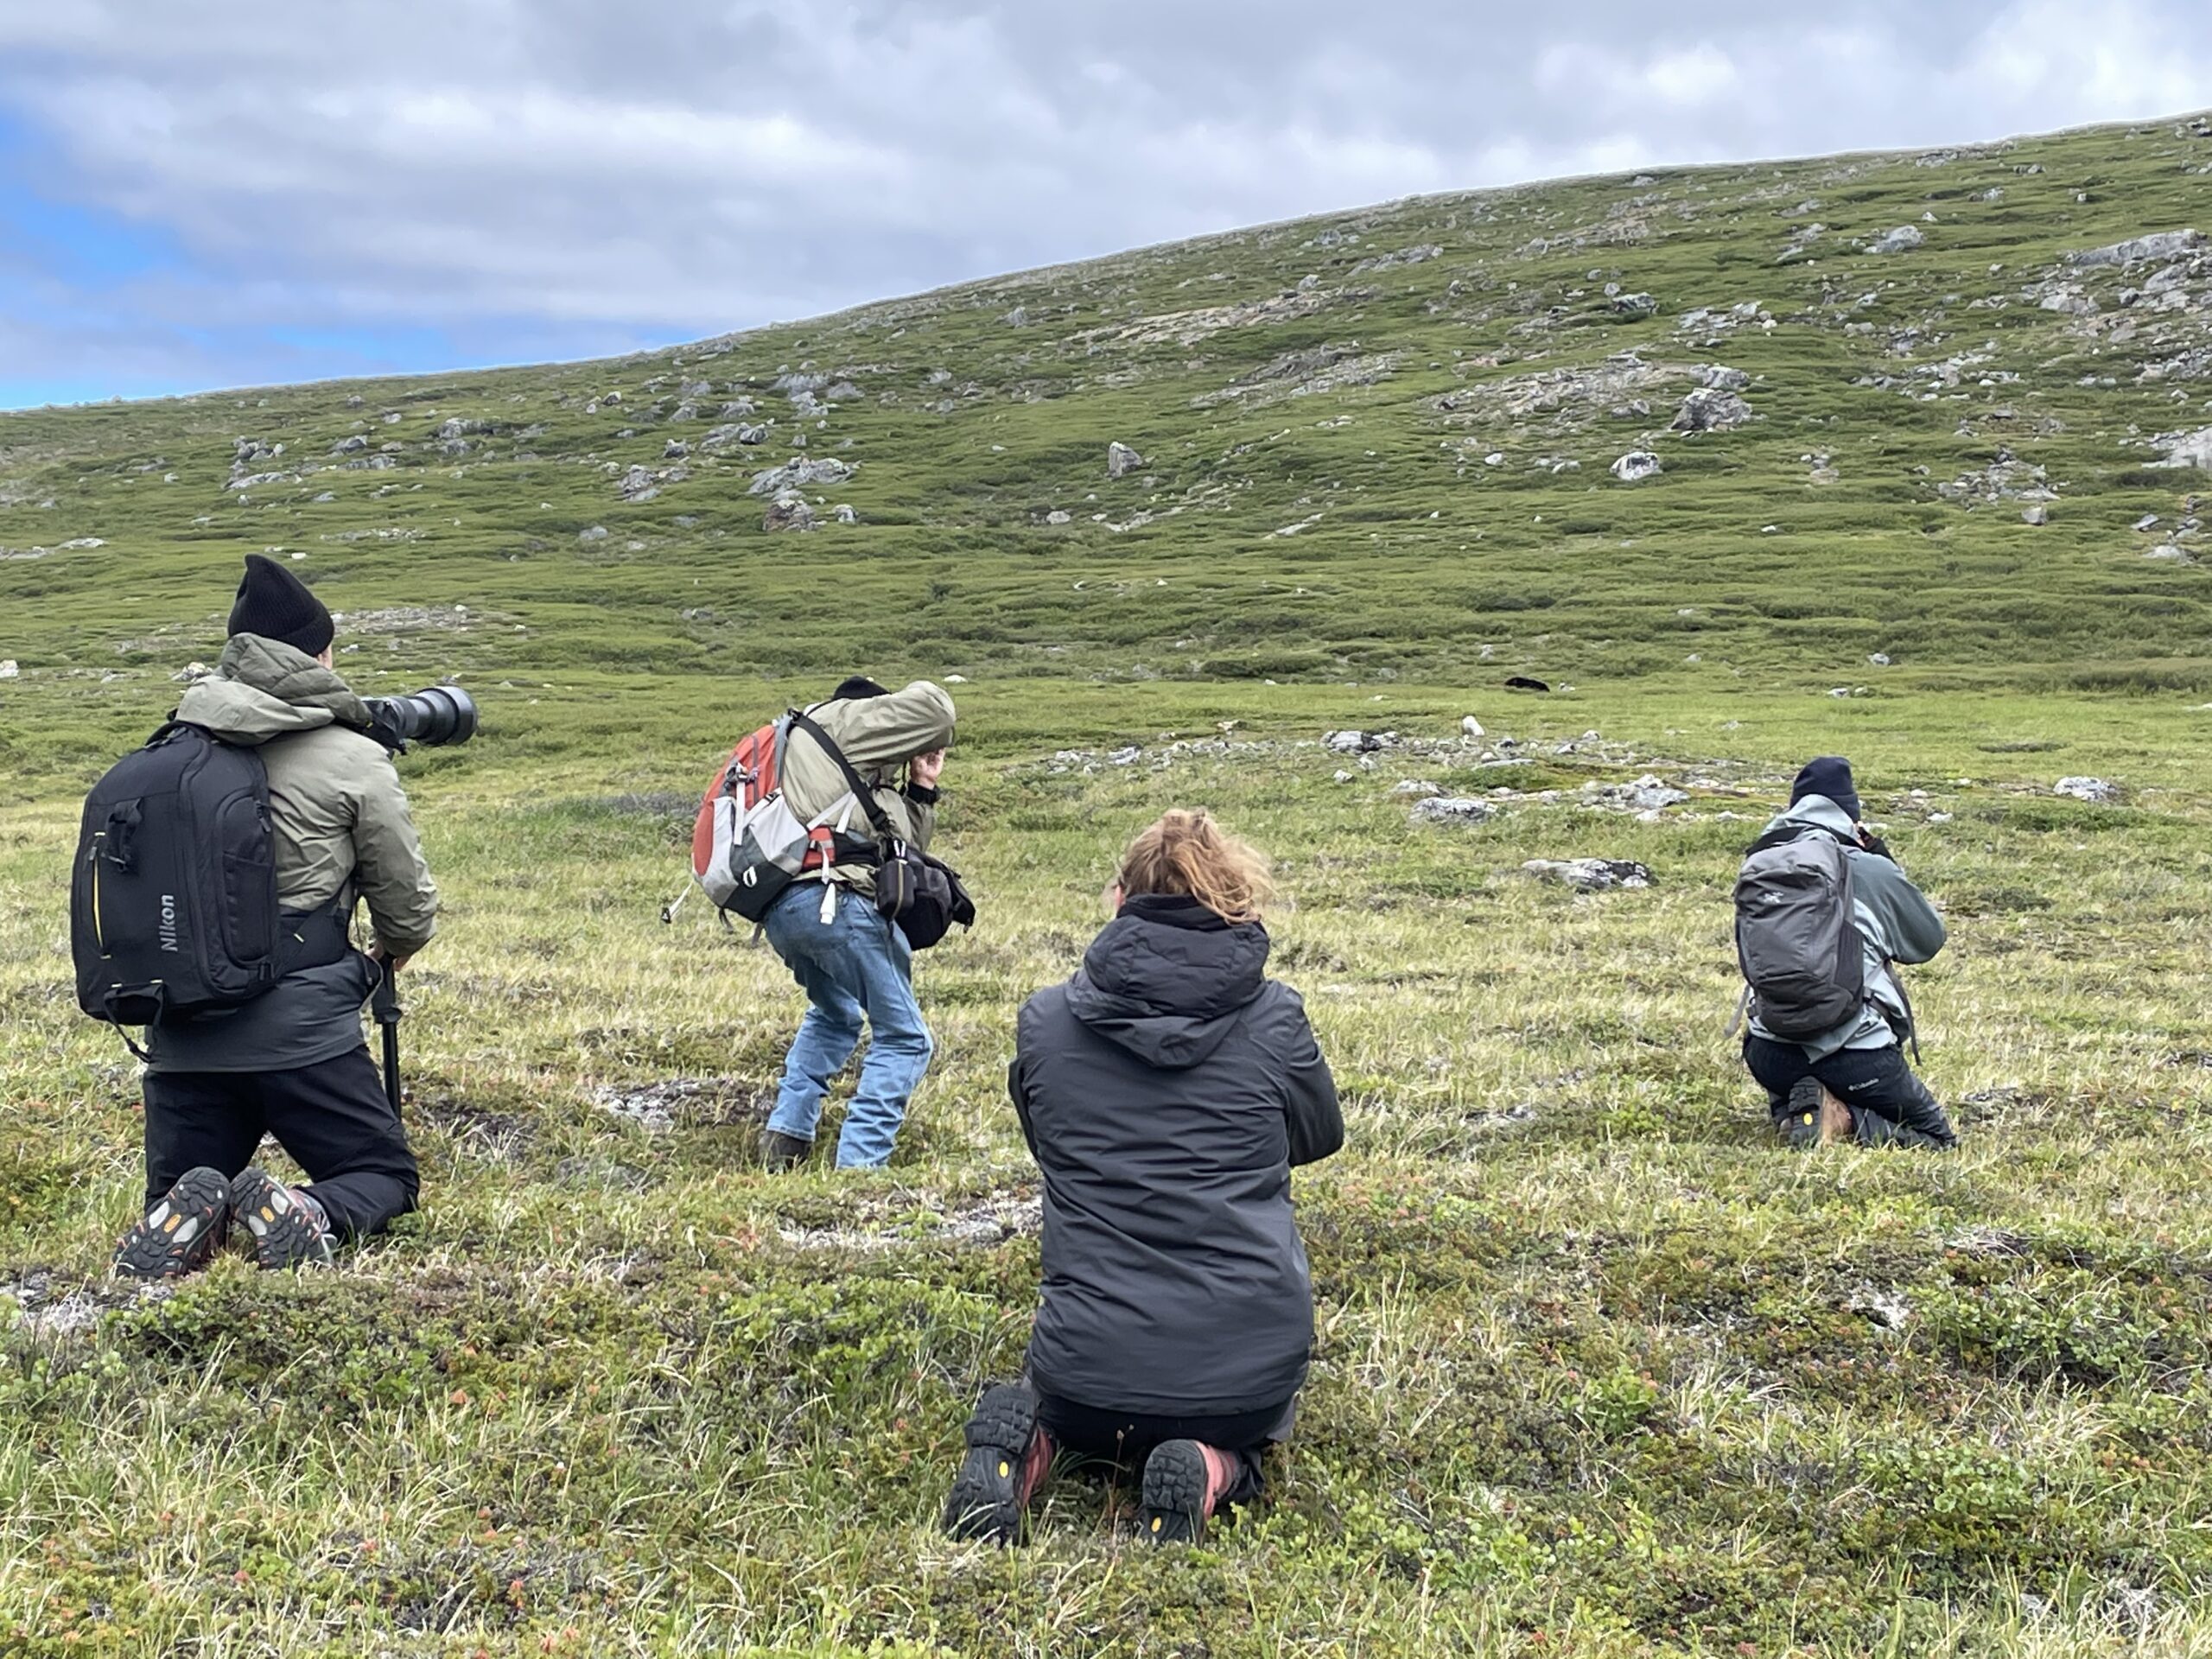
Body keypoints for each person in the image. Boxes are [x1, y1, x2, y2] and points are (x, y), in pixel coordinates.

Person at [943, 810, 1343, 1547]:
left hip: (1085, 1369)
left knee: (1069, 1417)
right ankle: (1211, 1466)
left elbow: (1049, 1144)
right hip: (1244, 1371)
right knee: (1247, 1439)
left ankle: (1030, 1453)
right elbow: (1319, 1139)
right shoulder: (1277, 1018)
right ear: (1236, 902)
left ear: (1120, 900)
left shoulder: (1047, 1021)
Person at [112, 556, 440, 1278]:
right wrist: (391, 953)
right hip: (303, 1045)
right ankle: (305, 1210)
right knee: (384, 1176)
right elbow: (407, 905)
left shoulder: (170, 748)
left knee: (180, 1191)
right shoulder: (350, 755)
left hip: (181, 1040)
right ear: (318, 655)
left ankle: (182, 1214)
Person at [756, 676, 957, 1172]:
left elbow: (902, 845)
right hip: (836, 905)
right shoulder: (845, 720)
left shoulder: (829, 768)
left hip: (787, 910)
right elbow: (938, 712)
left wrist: (922, 786)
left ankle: (786, 1138)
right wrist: (914, 700)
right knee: (906, 1037)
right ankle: (860, 1167)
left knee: (835, 1015)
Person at [1739, 757, 1958, 1150]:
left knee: (1796, 1090)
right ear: (1851, 815)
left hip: (1769, 1051)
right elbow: (1927, 942)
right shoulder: (1868, 866)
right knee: (1937, 1140)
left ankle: (1797, 1110)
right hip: (1856, 1055)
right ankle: (1843, 1118)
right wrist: (1882, 858)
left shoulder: (1758, 863)